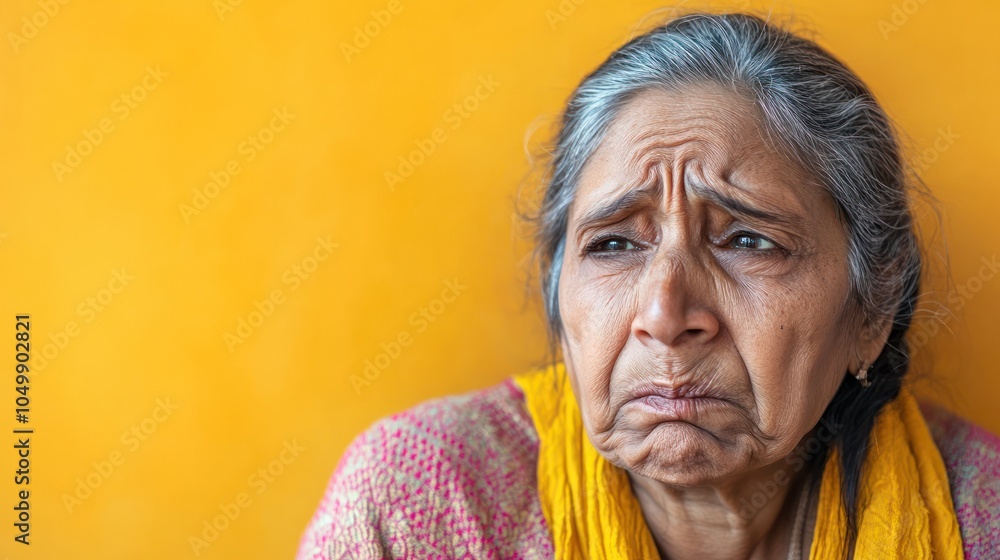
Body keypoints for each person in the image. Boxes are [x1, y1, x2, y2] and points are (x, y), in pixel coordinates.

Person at [297, 12, 1000, 559]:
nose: (667, 315)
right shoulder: (421, 507)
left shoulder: (980, 521)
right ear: (557, 293)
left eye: (748, 240)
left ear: (872, 311)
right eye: (613, 245)